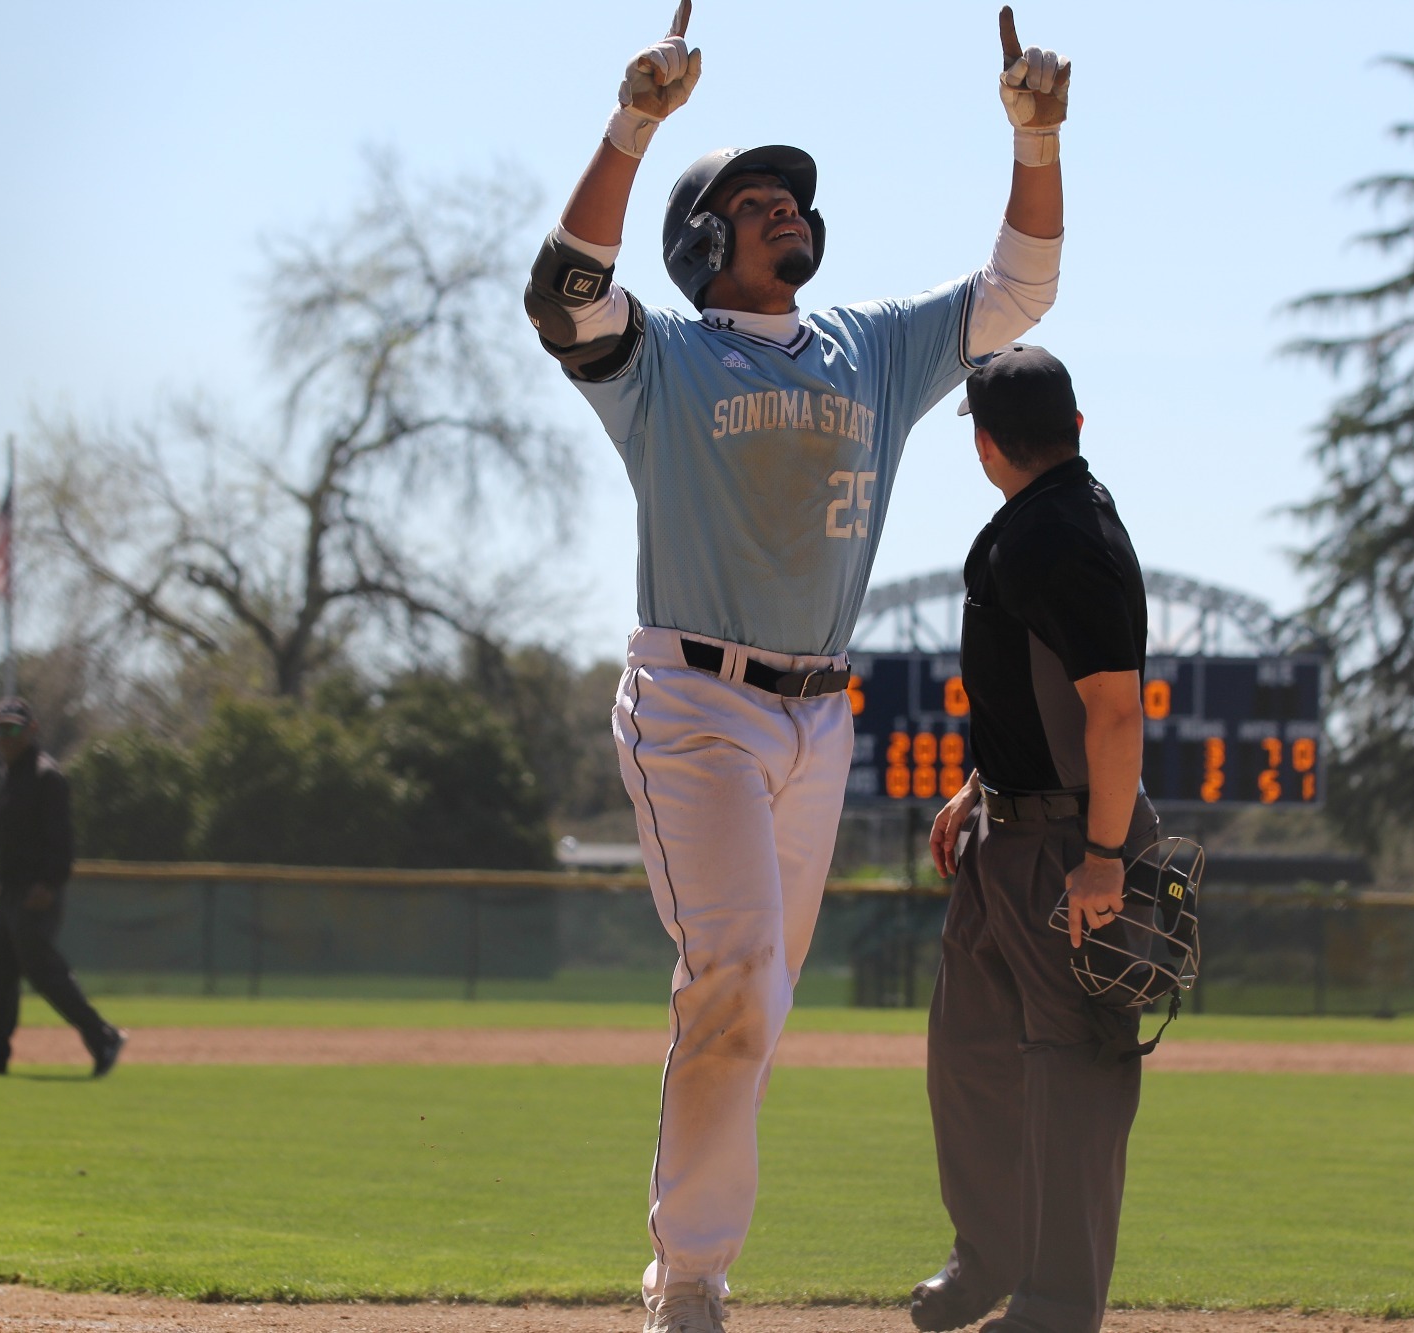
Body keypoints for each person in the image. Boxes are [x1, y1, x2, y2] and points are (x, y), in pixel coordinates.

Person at [524, 4, 1074, 1329]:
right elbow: (564, 296)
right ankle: (692, 1282)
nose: (789, 212)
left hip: (818, 722)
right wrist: (634, 126)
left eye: (793, 201)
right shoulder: (665, 355)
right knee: (735, 972)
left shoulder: (868, 348)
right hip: (695, 704)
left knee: (757, 996)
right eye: (761, 201)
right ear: (707, 237)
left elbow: (1020, 292)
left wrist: (1039, 141)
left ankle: (691, 1263)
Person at [912, 347, 1157, 1333]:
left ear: (982, 444)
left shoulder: (1066, 536)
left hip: (1067, 846)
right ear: (1075, 423)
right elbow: (1033, 684)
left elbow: (1111, 712)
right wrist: (974, 785)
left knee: (1070, 1076)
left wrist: (1102, 860)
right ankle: (988, 1260)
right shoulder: (1029, 527)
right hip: (1000, 834)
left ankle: (1054, 1304)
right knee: (967, 1057)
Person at [0, 697, 125, 1078]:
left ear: (31, 730)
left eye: (13, 728)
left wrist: (49, 884)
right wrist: (0, 882)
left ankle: (103, 1036)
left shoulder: (47, 776)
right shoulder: (10, 775)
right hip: (11, 892)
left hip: (36, 893)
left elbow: (61, 841)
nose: (6, 736)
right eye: (0, 729)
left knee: (43, 972)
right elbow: (10, 841)